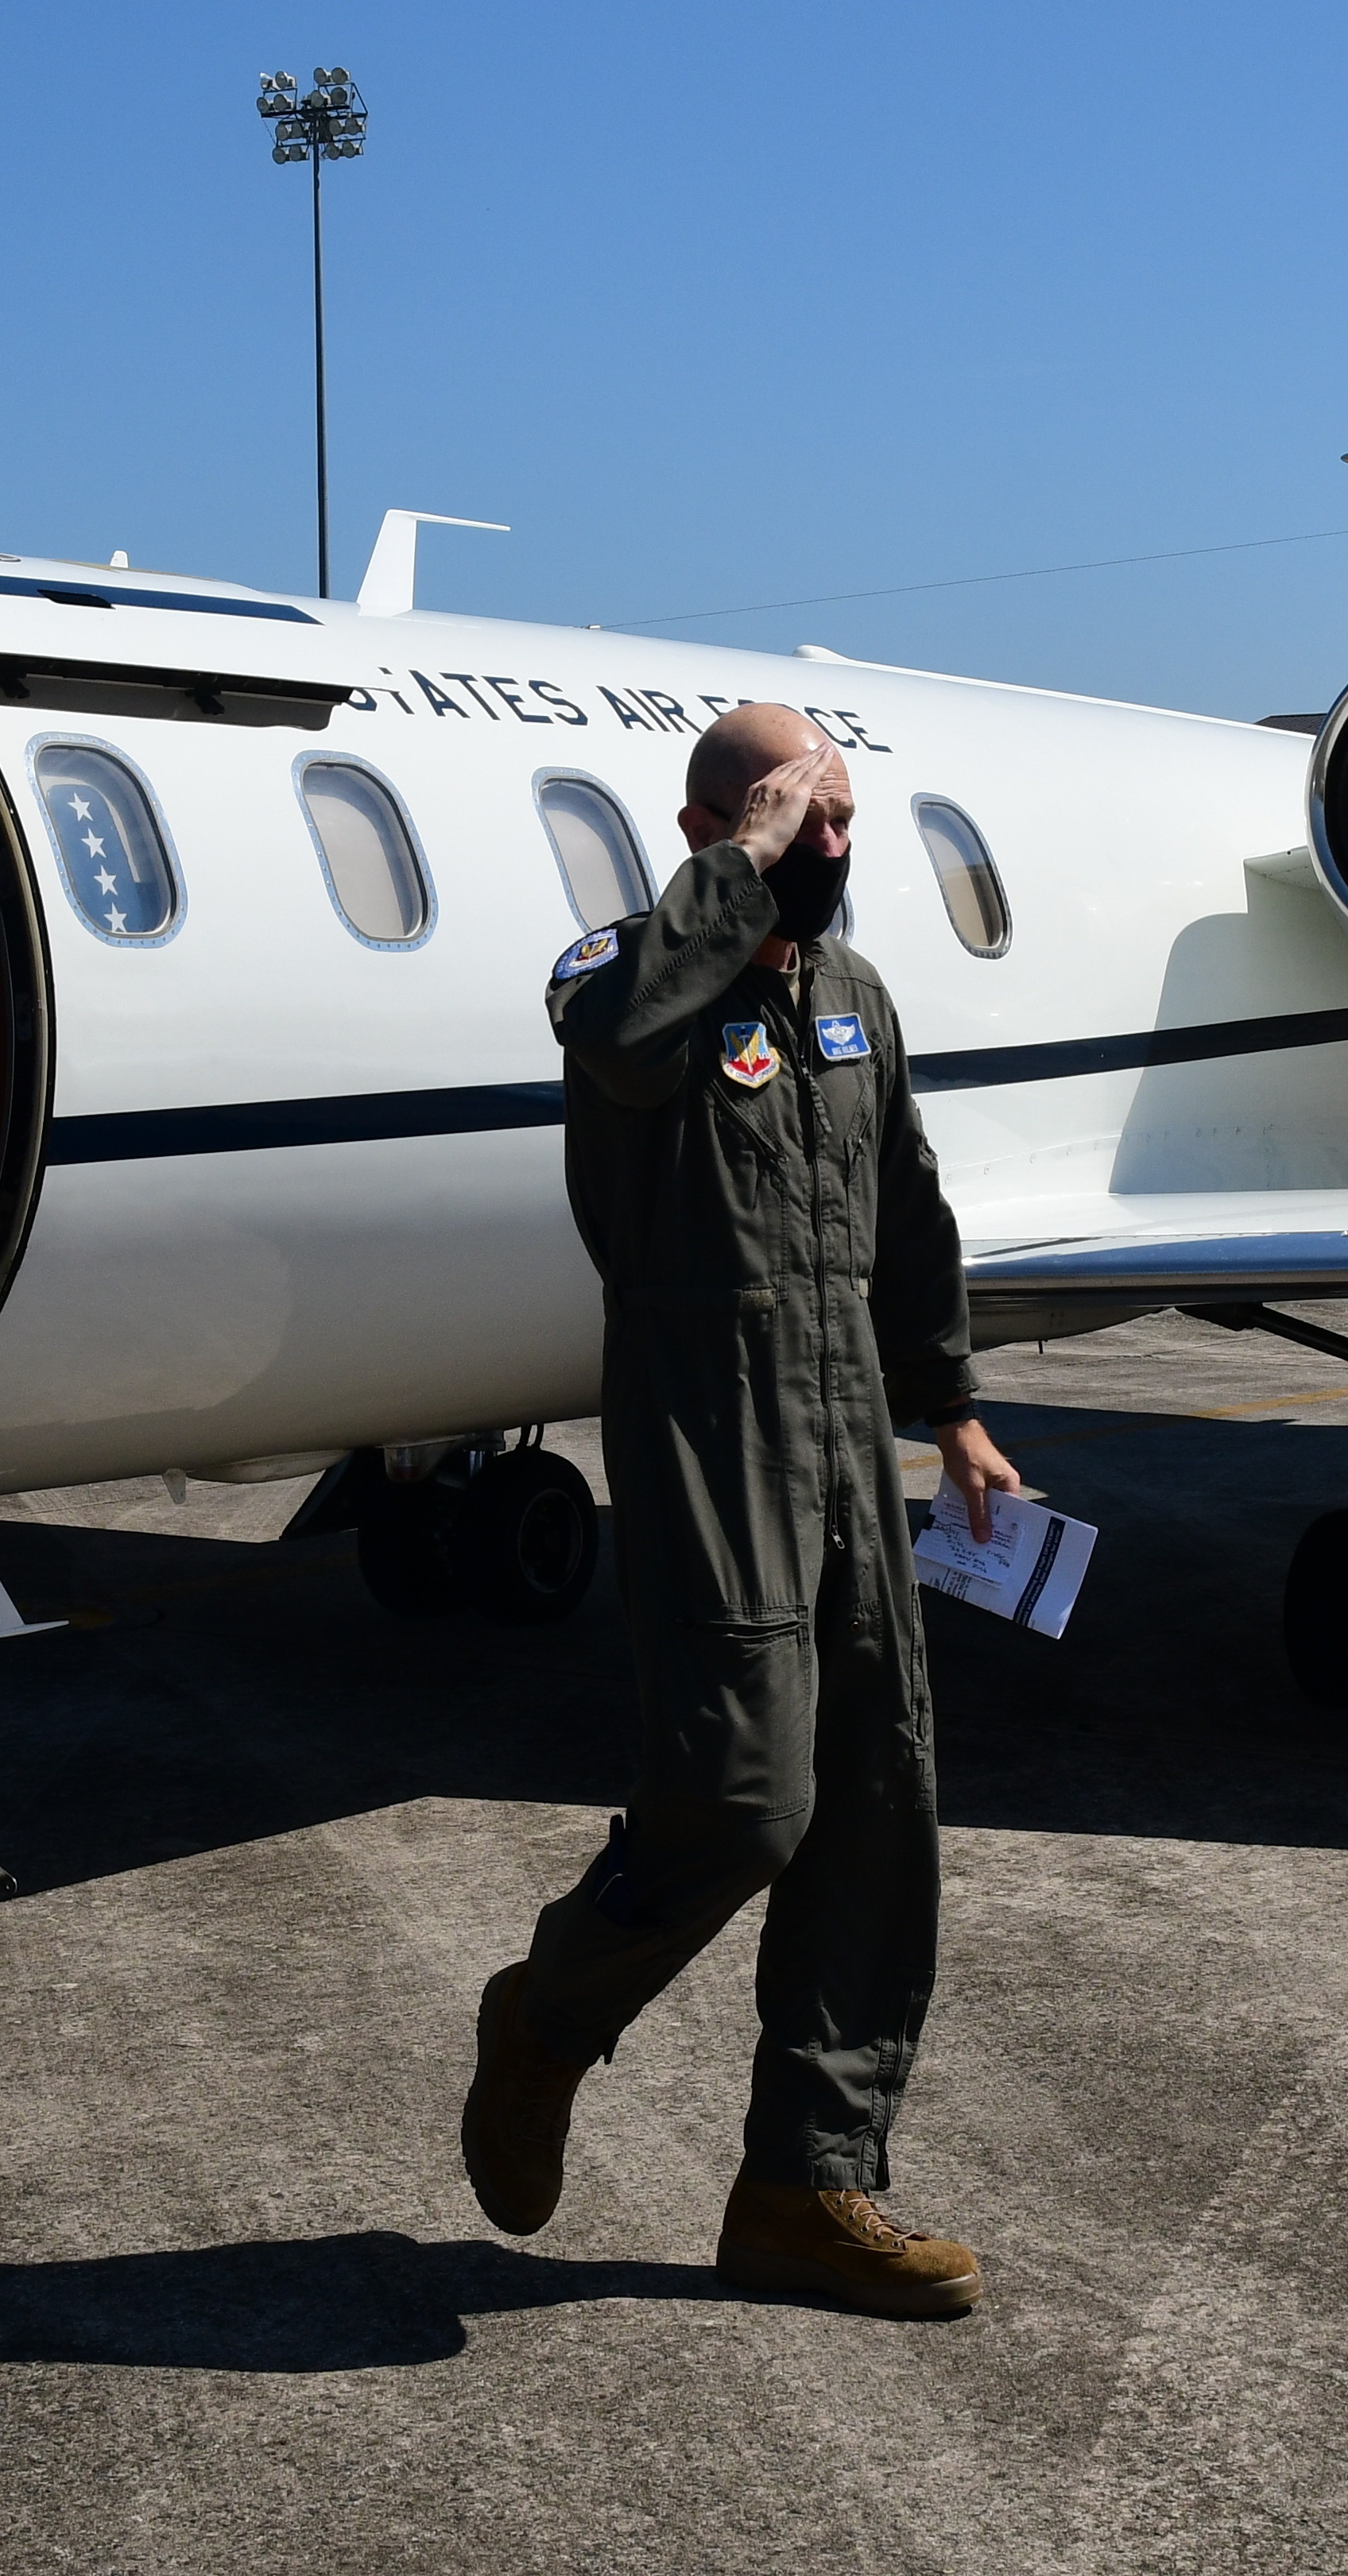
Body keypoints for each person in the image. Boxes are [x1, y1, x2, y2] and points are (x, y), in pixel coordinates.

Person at [459, 704, 1026, 2319]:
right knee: (741, 1794)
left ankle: (809, 2181)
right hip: (704, 1412)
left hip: (846, 1411)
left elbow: (906, 1204)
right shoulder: (620, 972)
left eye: (843, 817)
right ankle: (547, 2018)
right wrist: (750, 857)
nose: (832, 847)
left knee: (878, 1796)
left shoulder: (852, 998)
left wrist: (953, 1405)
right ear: (714, 820)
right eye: (800, 815)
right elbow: (631, 1035)